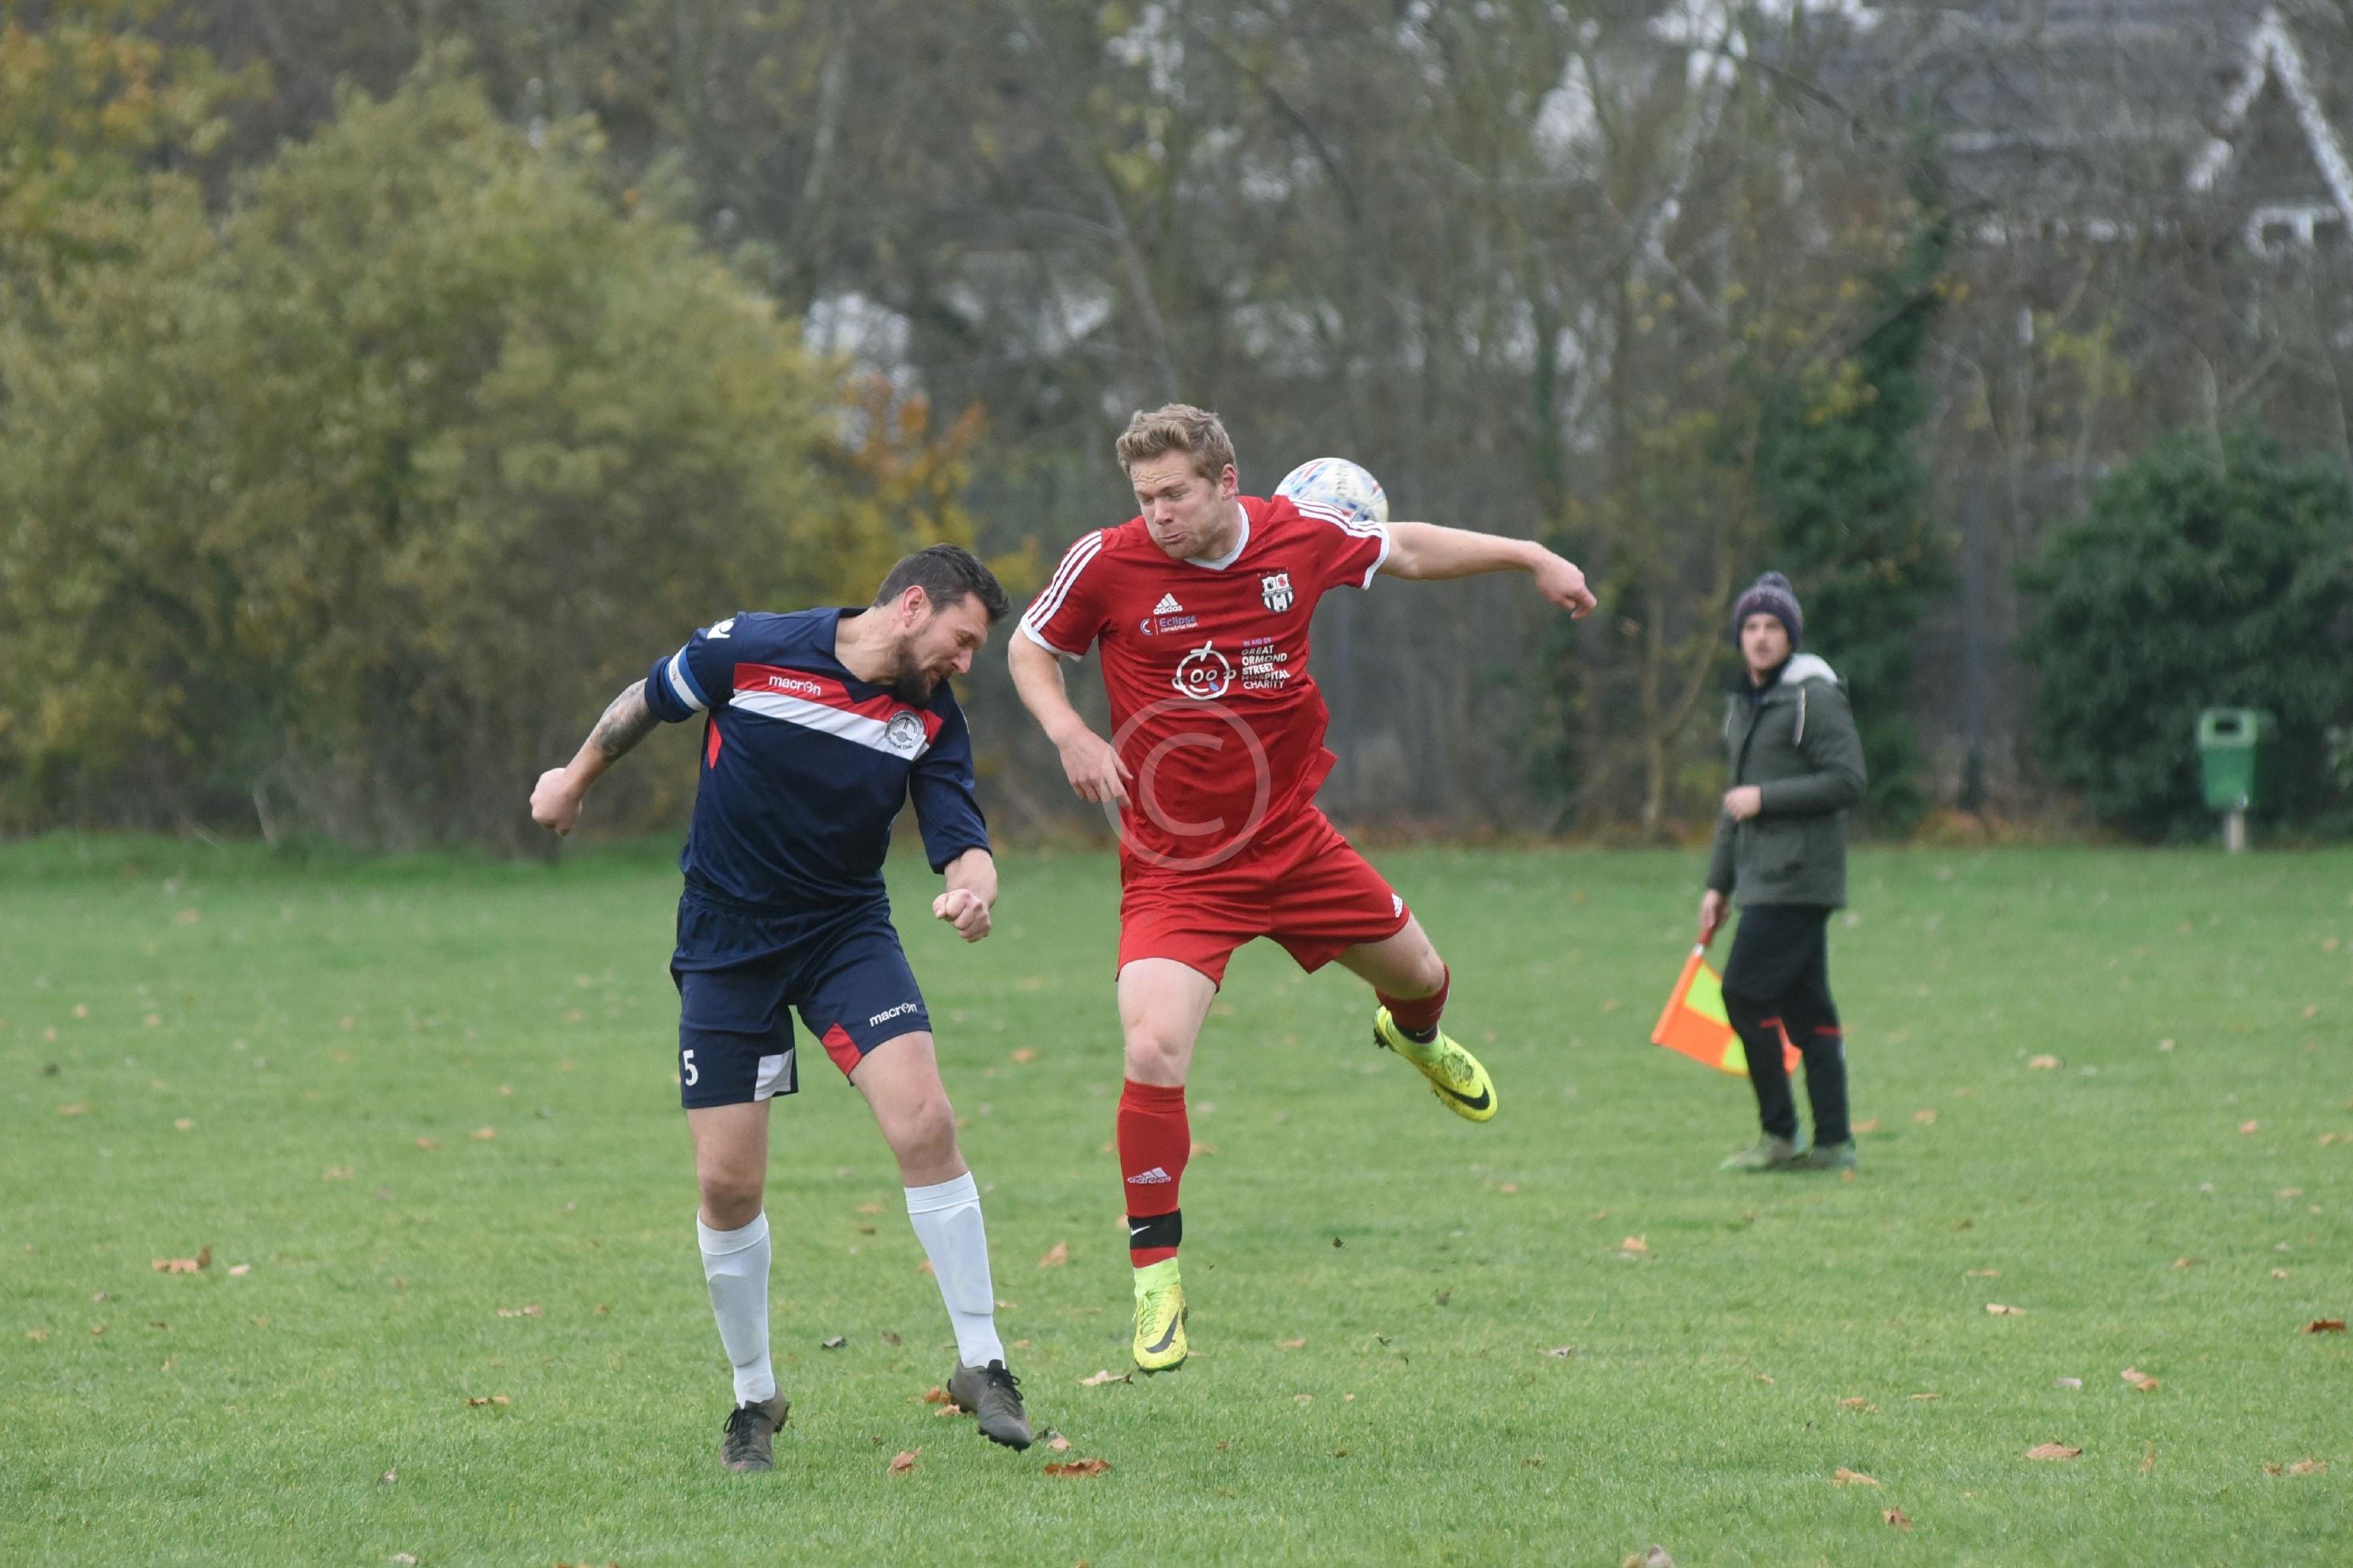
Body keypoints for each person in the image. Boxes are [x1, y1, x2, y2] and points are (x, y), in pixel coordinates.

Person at [1007, 404, 1597, 1372]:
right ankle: (1157, 1281)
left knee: (1422, 975)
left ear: (1228, 481)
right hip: (1179, 866)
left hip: (1294, 842)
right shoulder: (1108, 562)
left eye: (1176, 494)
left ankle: (1411, 1037)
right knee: (1152, 1045)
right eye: (1144, 497)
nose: (1157, 514)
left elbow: (1402, 547)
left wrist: (1530, 554)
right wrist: (1071, 732)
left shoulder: (1299, 536)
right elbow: (1033, 649)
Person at [528, 544, 1033, 1471]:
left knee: (925, 1122)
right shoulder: (749, 649)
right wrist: (571, 780)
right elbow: (646, 701)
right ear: (912, 605)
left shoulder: (927, 715)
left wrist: (975, 889)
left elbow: (963, 838)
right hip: (727, 941)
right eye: (961, 641)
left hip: (846, 934)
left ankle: (983, 1361)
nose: (964, 663)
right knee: (727, 1185)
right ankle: (753, 1398)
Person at [1699, 570, 1867, 1173]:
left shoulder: (1812, 696)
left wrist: (1766, 798)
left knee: (1742, 993)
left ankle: (1780, 1134)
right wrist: (1717, 886)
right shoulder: (1746, 703)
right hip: (1760, 878)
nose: (1761, 637)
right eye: (1751, 626)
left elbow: (1848, 780)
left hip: (1798, 878)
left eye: (1773, 626)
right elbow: (1733, 801)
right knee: (1809, 1012)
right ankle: (1834, 1143)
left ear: (1791, 636)